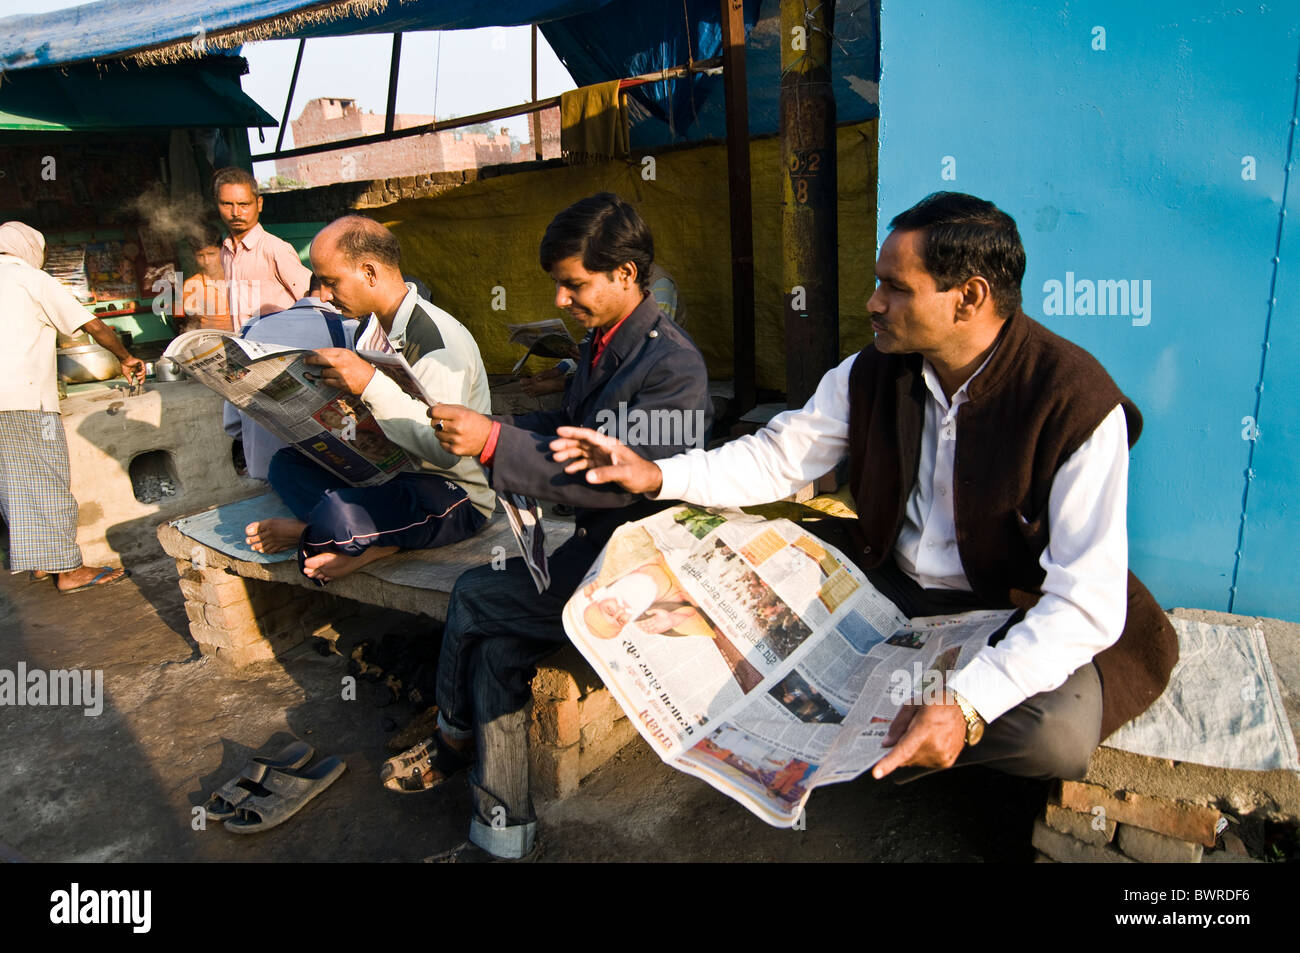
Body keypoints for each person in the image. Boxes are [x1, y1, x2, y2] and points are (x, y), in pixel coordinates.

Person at [551, 191, 1178, 786]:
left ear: (969, 298)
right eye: (879, 283)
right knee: (690, 582)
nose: (874, 303)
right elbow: (780, 456)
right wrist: (660, 474)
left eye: (896, 288)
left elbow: (1085, 604)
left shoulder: (1075, 402)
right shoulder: (876, 368)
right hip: (888, 584)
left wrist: (966, 705)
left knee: (1054, 737)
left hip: (1010, 608)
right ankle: (873, 726)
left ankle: (903, 733)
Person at [388, 193, 711, 860]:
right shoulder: (603, 345)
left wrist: (491, 445)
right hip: (597, 550)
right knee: (496, 653)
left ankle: (451, 736)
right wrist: (495, 429)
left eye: (574, 283)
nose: (561, 299)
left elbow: (605, 471)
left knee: (476, 595)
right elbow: (569, 433)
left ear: (624, 274)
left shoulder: (673, 365)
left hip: (638, 570)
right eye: (558, 284)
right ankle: (502, 837)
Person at [243, 216, 493, 584]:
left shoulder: (438, 342)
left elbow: (445, 453)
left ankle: (312, 533)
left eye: (331, 282)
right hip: (386, 468)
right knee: (286, 464)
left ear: (370, 273)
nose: (325, 295)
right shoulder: (369, 326)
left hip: (449, 491)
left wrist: (369, 383)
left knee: (337, 514)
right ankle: (363, 538)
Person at [0, 221, 146, 592]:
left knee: (13, 485)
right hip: (29, 404)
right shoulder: (33, 280)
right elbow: (92, 326)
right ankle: (68, 569)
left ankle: (38, 562)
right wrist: (126, 357)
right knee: (49, 479)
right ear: (31, 249)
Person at [222, 275, 360, 480]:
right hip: (327, 477)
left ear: (305, 294)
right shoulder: (350, 329)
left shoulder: (250, 329)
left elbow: (232, 424)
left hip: (263, 472)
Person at [520, 262, 687, 398]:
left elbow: (641, 357)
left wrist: (560, 385)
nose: (561, 300)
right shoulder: (606, 286)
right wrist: (559, 370)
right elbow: (594, 340)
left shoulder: (658, 283)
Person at [213, 167, 311, 330]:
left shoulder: (275, 249)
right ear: (218, 205)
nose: (236, 212)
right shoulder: (226, 251)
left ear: (259, 204)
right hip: (247, 347)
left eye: (244, 204)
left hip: (280, 345)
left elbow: (311, 300)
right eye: (227, 204)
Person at [175, 227, 233, 333]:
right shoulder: (191, 286)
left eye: (211, 254)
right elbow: (194, 322)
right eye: (200, 256)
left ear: (222, 251)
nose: (206, 261)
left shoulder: (237, 276)